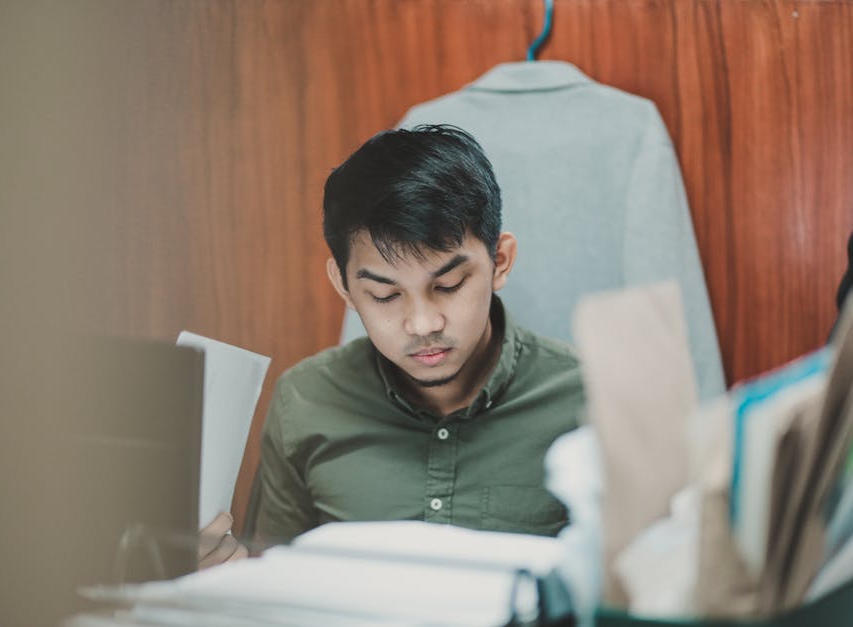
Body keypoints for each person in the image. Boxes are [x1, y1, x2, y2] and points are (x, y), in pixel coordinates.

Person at [199, 124, 585, 567]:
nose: (423, 324)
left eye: (449, 284)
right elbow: (274, 593)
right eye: (385, 295)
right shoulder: (304, 402)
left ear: (500, 261)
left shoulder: (593, 402)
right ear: (343, 285)